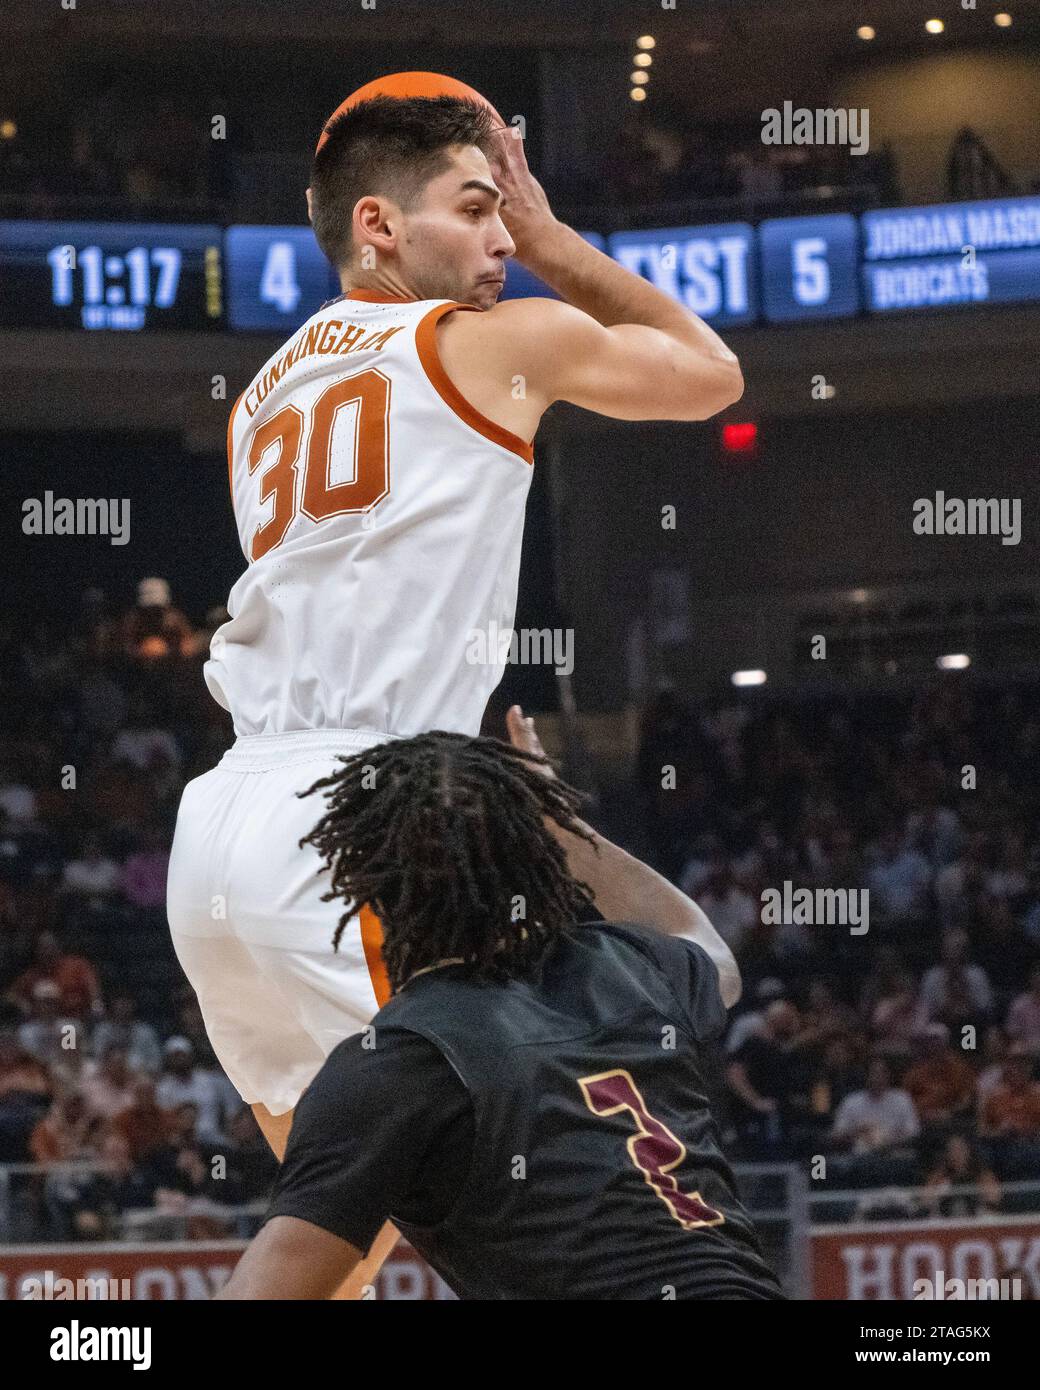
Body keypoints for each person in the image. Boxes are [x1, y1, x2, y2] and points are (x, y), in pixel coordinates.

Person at [168, 89, 743, 1295]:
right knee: (502, 1221)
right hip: (361, 824)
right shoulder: (489, 339)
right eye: (475, 208)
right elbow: (707, 374)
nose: (497, 235)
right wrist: (552, 240)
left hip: (218, 833)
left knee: (335, 1232)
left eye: (504, 214)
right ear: (378, 225)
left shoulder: (260, 393)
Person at [219, 711, 783, 1300]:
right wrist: (558, 820)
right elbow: (708, 946)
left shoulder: (401, 1061)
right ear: (538, 855)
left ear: (365, 884)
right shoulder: (636, 968)